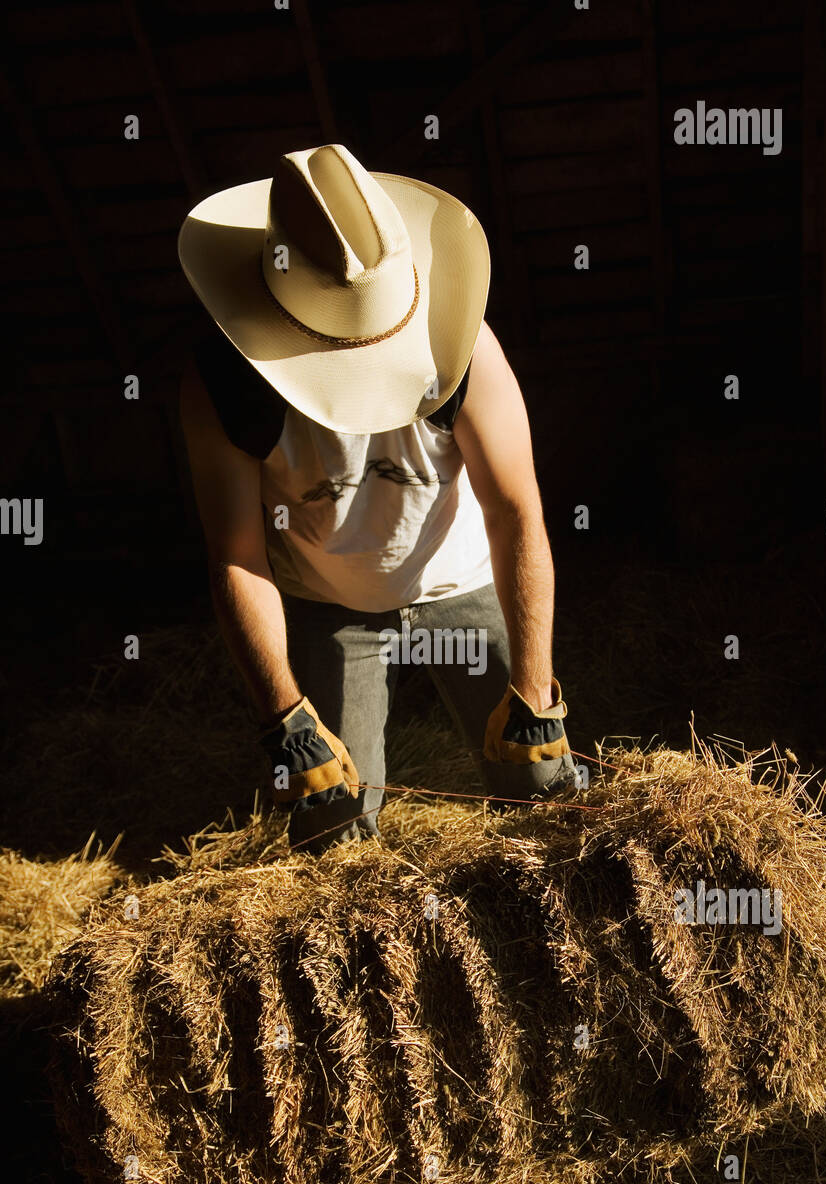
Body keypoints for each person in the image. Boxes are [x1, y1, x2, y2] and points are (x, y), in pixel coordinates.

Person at [178, 142, 578, 850]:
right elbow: (237, 555)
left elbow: (516, 511)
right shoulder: (224, 385)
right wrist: (286, 718)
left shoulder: (462, 346)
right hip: (327, 600)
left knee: (542, 786)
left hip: (457, 576)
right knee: (332, 818)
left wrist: (536, 690)